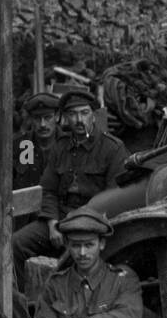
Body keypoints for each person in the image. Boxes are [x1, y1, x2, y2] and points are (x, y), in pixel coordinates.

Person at [12, 88, 129, 268]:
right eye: (73, 114)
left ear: (94, 115)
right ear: (65, 118)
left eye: (84, 113)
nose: (79, 120)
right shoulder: (61, 146)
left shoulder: (112, 148)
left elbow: (114, 197)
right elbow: (48, 190)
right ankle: (23, 296)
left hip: (95, 219)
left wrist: (81, 222)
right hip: (60, 217)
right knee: (16, 244)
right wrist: (51, 222)